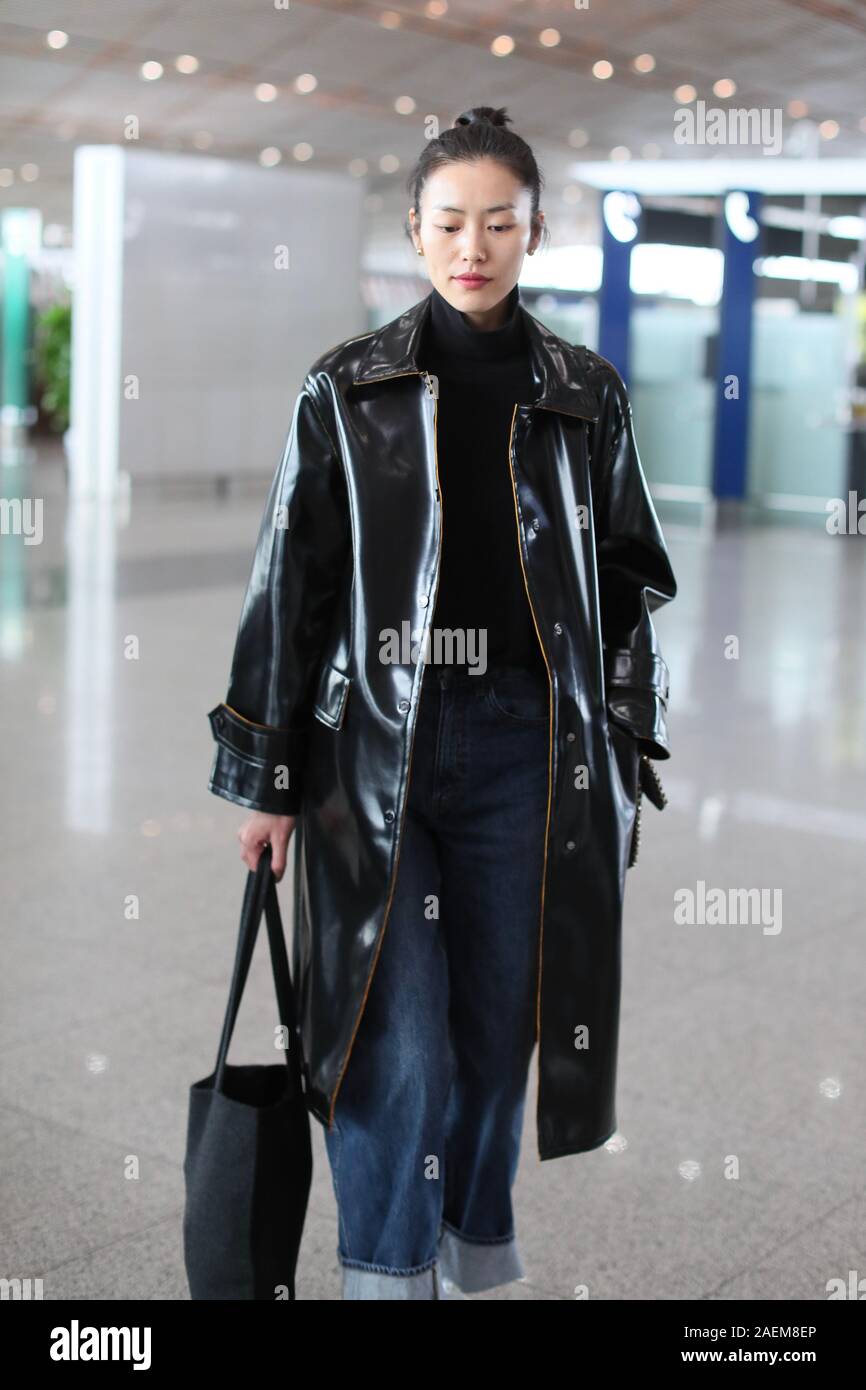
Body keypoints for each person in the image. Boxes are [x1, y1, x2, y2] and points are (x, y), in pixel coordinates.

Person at [207, 105, 677, 1300]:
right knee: (386, 1035)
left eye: (499, 222)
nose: (473, 244)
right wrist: (263, 778)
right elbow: (290, 584)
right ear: (415, 230)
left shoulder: (586, 393)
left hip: (531, 752)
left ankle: (475, 1248)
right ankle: (384, 1275)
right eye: (450, 221)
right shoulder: (345, 389)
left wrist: (621, 748)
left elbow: (628, 582)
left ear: (531, 235)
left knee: (492, 1036)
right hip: (374, 754)